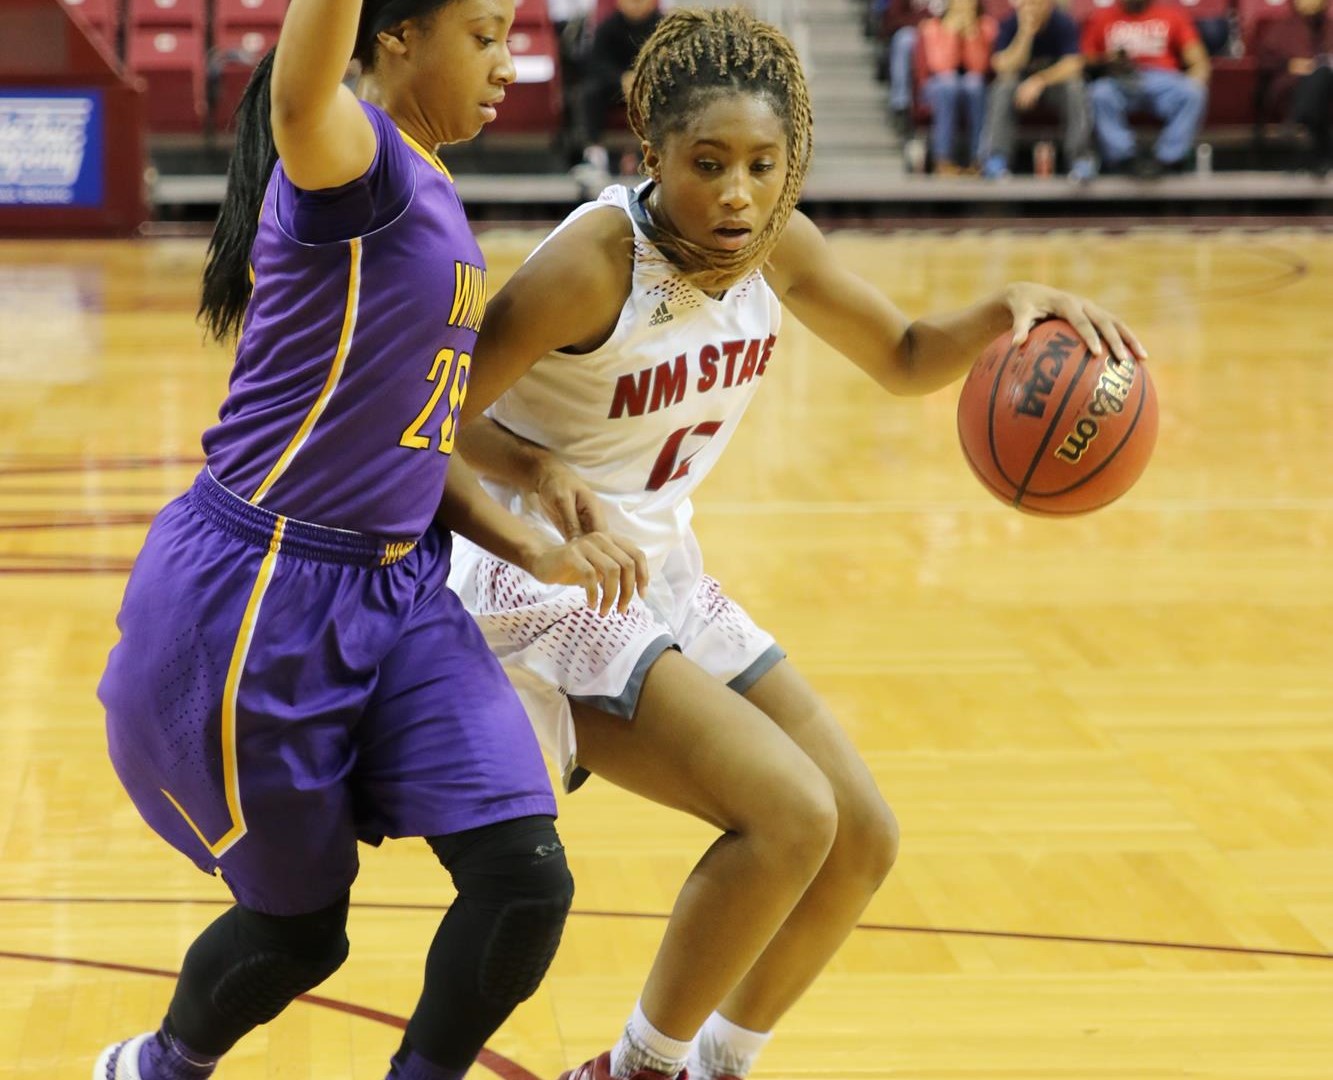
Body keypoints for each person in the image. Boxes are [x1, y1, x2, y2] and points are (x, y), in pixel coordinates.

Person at [446, 8, 1147, 1080]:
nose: (735, 193)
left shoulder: (780, 247)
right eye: (706, 165)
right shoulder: (593, 263)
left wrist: (1004, 309)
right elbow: (429, 416)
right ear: (652, 158)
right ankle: (635, 1070)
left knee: (858, 836)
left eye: (761, 166)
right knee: (785, 817)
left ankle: (717, 1064)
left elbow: (908, 357)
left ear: (791, 166)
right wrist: (540, 471)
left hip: (657, 565)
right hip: (540, 575)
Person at [92, 2, 650, 1079]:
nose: (510, 61)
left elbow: (413, 435)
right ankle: (157, 1068)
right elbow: (302, 90)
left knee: (524, 881)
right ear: (394, 37)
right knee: (301, 933)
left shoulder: (428, 183)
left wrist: (528, 536)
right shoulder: (358, 159)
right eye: (484, 35)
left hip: (401, 591)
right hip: (259, 598)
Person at [1082, 0, 1211, 178]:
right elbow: (1085, 61)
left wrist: (1196, 79)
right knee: (1098, 92)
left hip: (1162, 81)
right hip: (1119, 81)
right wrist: (1108, 62)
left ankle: (1167, 159)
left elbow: (1198, 60)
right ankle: (1124, 157)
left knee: (1193, 92)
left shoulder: (1171, 14)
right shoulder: (1102, 17)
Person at [980, 0, 1095, 182]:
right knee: (1002, 87)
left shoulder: (1062, 22)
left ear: (1048, 5)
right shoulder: (1010, 23)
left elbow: (1074, 65)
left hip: (1052, 87)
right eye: (1027, 4)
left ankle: (1080, 160)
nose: (1031, 9)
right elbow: (1002, 66)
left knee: (1076, 87)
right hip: (1018, 90)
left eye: (1036, 4)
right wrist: (1025, 34)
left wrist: (1039, 80)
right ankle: (997, 159)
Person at [572, 0, 664, 189]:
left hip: (650, 87)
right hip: (614, 88)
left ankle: (661, 151)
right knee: (589, 92)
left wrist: (642, 80)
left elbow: (667, 61)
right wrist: (621, 79)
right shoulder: (608, 27)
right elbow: (596, 64)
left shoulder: (662, 28)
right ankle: (594, 155)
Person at [1253, 0, 1333, 177]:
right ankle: (1321, 154)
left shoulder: (1330, 28)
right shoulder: (1282, 28)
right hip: (1290, 91)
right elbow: (1266, 60)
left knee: (1323, 74)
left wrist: (1318, 67)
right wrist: (1292, 64)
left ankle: (1296, 121)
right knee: (1318, 80)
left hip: (1326, 91)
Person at [916, 0, 997, 174]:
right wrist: (952, 33)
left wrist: (971, 36)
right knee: (949, 83)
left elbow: (980, 67)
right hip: (936, 85)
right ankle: (943, 158)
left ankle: (979, 159)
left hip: (971, 84)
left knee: (974, 83)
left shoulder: (986, 26)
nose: (964, 6)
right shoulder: (933, 27)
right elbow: (942, 66)